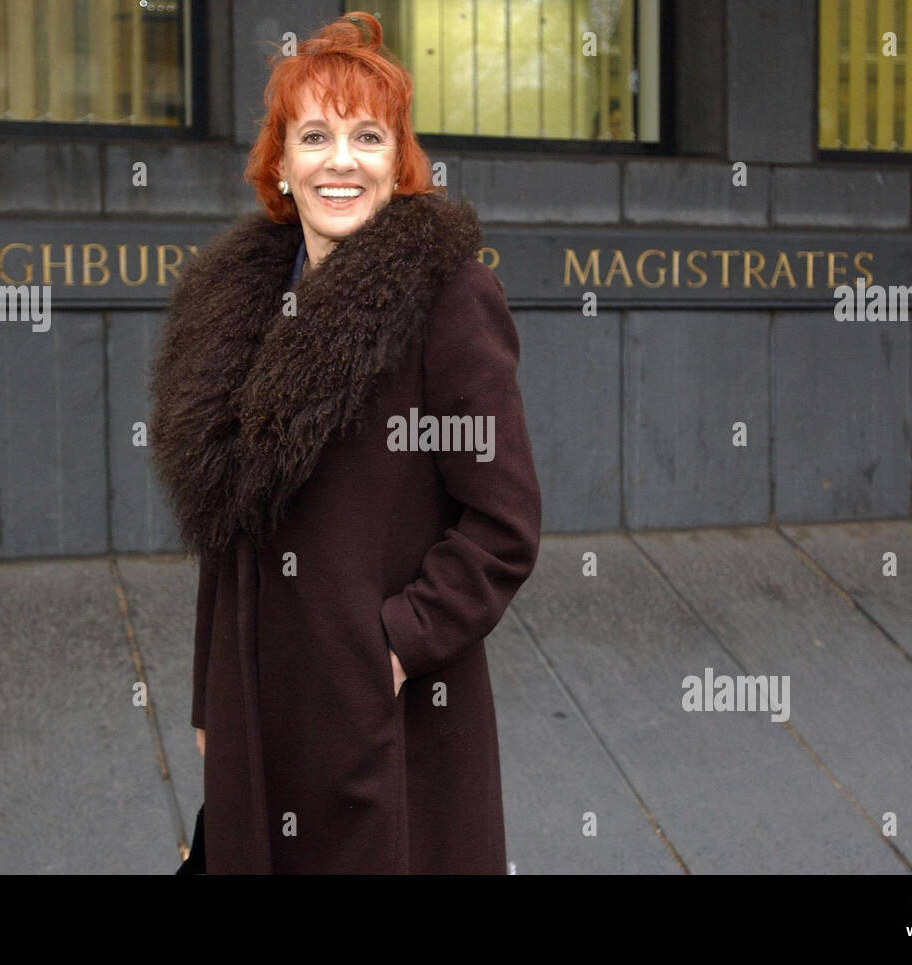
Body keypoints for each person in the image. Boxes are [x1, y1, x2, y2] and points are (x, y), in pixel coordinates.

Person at [148, 11, 541, 874]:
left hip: (390, 723)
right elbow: (228, 523)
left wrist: (396, 646)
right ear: (281, 163)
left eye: (367, 136)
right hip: (259, 707)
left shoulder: (449, 299)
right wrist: (211, 698)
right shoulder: (235, 307)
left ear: (396, 163)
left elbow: (502, 524)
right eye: (315, 135)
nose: (340, 160)